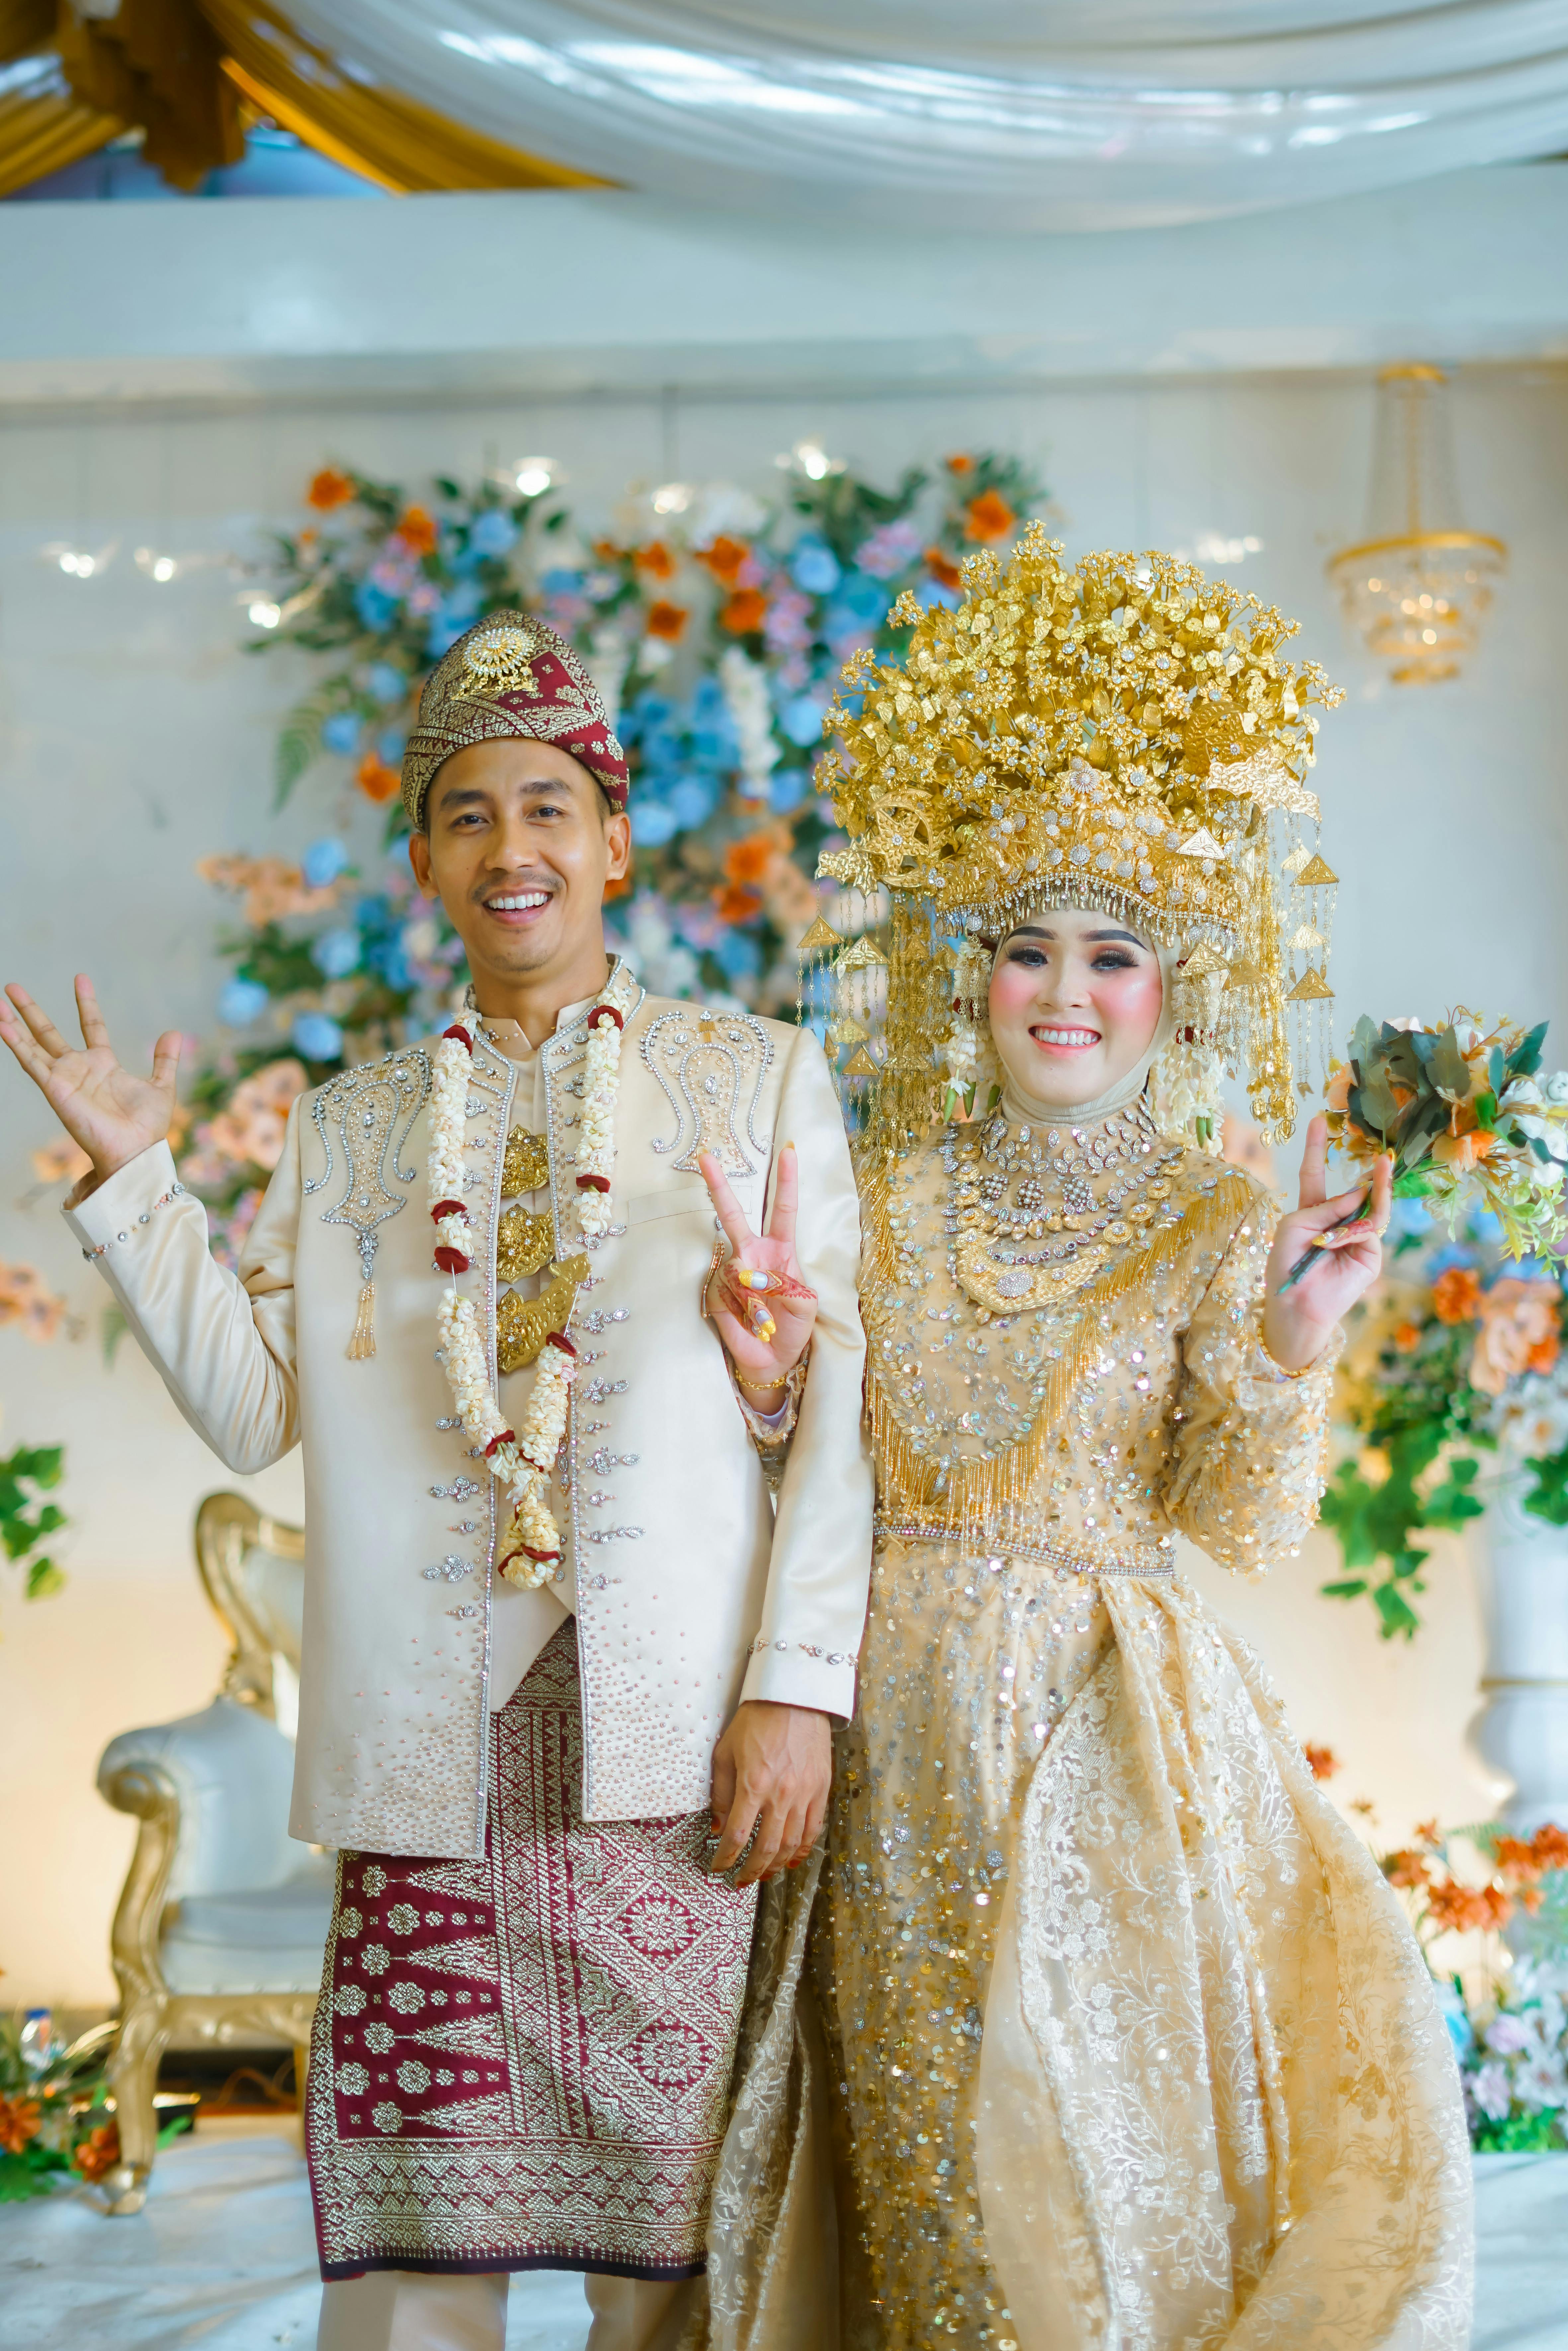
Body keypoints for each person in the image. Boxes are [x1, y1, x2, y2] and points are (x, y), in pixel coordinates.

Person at [0, 612, 872, 2351]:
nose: (511, 847)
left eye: (547, 805)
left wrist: (796, 1690)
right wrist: (140, 1191)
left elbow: (837, 1407)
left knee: (680, 2224)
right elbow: (259, 1407)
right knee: (419, 2235)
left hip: (674, 1724)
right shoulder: (352, 1127)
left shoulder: (755, 1077)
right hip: (431, 1733)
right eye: (466, 814)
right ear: (423, 860)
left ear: (613, 840)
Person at [807, 533, 1472, 2349]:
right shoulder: (874, 1195)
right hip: (878, 1727)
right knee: (916, 2123)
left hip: (1103, 1725)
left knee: (1087, 2139)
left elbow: (1229, 1511)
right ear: (974, 972)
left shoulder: (1204, 1211)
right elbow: (803, 1467)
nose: (1063, 990)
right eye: (1027, 948)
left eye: (1109, 954)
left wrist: (1290, 1330)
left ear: (1168, 988)